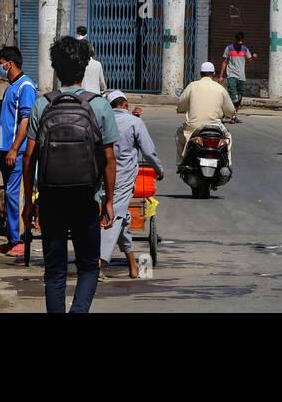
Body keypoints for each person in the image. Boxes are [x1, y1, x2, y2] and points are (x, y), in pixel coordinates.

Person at [22, 36, 118, 314]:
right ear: (85, 66)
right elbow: (110, 160)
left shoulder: (43, 105)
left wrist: (29, 203)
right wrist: (109, 201)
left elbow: (29, 157)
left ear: (56, 68)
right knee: (88, 265)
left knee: (54, 270)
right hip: (86, 197)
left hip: (51, 198)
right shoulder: (99, 106)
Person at [99, 91, 164, 280]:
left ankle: (132, 263)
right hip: (122, 179)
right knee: (114, 218)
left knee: (123, 218)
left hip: (102, 176)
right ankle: (99, 262)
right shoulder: (135, 123)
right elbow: (149, 152)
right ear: (125, 104)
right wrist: (159, 170)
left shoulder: (104, 122)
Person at [0, 46, 36, 258]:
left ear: (9, 63)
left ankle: (18, 240)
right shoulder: (11, 87)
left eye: (0, 63)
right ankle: (12, 239)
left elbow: (26, 121)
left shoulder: (25, 86)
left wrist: (13, 149)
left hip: (15, 152)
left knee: (13, 195)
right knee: (8, 194)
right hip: (5, 151)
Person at [176, 61, 237, 162]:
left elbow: (180, 105)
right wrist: (232, 115)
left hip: (193, 129)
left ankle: (180, 162)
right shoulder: (220, 88)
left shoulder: (192, 86)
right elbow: (231, 111)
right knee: (228, 137)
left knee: (179, 134)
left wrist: (181, 109)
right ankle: (227, 163)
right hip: (215, 129)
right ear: (213, 74)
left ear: (200, 74)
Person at [218, 31, 253, 120]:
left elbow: (250, 60)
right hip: (231, 74)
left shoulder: (245, 49)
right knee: (233, 94)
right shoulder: (229, 48)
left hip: (241, 76)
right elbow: (225, 61)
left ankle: (234, 114)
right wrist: (221, 76)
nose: (240, 42)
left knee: (240, 95)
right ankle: (230, 113)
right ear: (236, 40)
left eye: (242, 41)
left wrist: (254, 57)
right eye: (239, 41)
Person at [74, 25, 107, 94]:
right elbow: (102, 85)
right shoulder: (98, 64)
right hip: (94, 96)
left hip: (80, 96)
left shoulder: (75, 63)